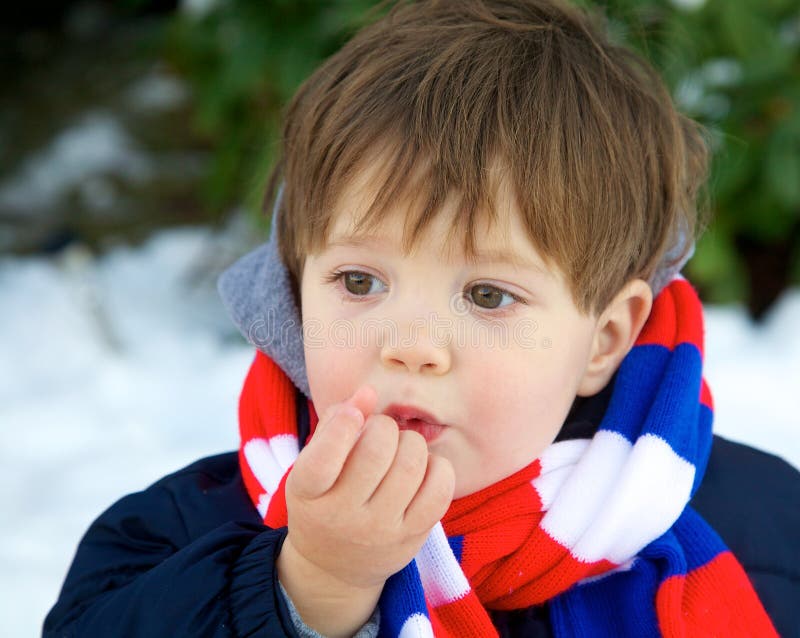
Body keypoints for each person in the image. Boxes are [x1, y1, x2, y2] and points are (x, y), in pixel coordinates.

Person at [44, 1, 799, 636]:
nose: (411, 346)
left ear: (604, 337)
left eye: (487, 295)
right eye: (360, 280)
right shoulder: (176, 537)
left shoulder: (764, 536)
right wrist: (308, 587)